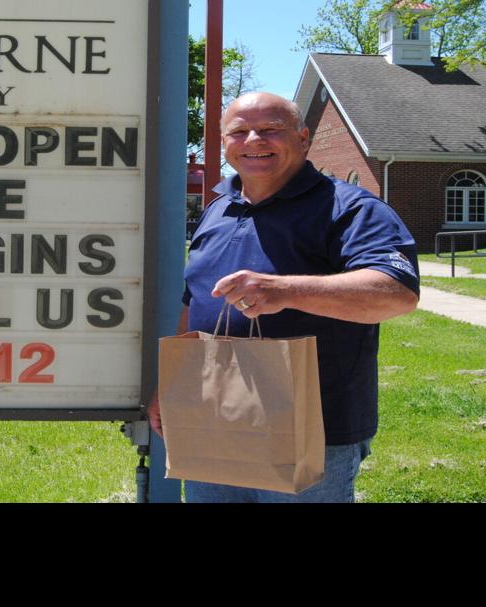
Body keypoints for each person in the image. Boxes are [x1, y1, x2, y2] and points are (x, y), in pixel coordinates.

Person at [150, 92, 421, 503]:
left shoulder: (349, 207)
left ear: (303, 137)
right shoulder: (218, 209)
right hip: (214, 420)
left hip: (311, 429)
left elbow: (396, 292)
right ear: (224, 144)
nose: (254, 140)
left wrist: (285, 291)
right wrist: (172, 389)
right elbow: (195, 301)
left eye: (271, 130)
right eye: (239, 132)